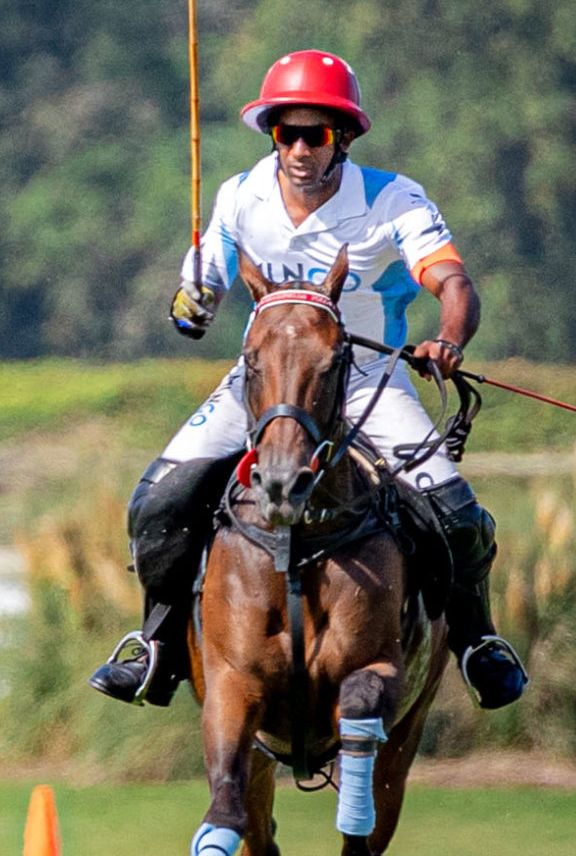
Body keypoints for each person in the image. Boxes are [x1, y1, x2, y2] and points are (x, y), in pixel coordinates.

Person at [88, 49, 529, 712]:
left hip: (365, 382)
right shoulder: (241, 194)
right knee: (158, 499)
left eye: (314, 133)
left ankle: (476, 642)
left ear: (342, 137)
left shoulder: (392, 199)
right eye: (284, 132)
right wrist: (192, 299)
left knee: (458, 513)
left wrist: (449, 337)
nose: (297, 148)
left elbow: (453, 281)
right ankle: (157, 645)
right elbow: (205, 277)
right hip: (264, 384)